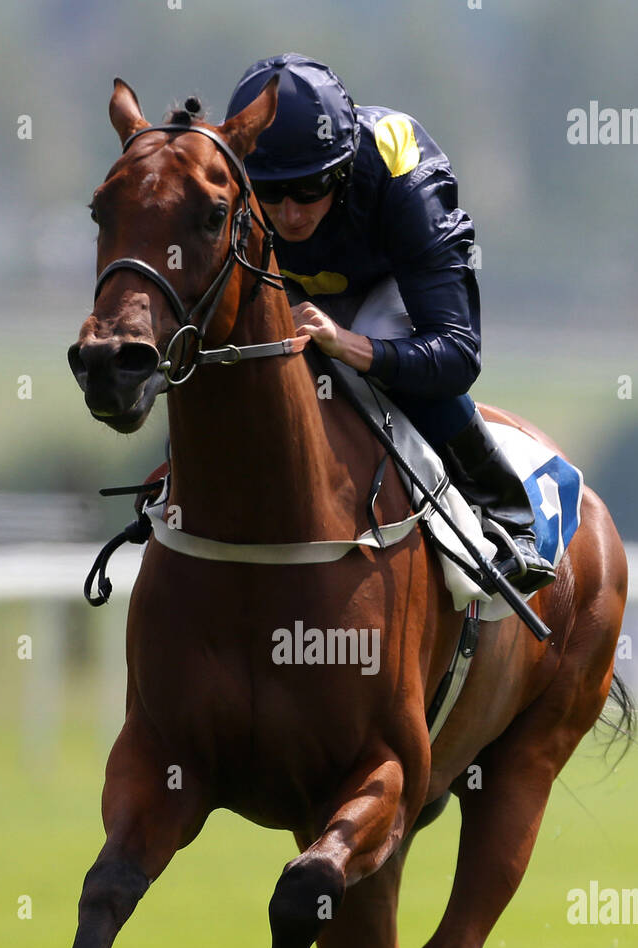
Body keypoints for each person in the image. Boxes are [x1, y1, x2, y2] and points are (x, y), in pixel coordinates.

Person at [225, 53, 555, 594]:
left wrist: (353, 346)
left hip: (390, 289)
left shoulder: (402, 168)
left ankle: (509, 515)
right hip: (295, 290)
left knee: (379, 331)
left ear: (343, 167)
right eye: (271, 192)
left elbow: (455, 357)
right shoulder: (231, 184)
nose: (288, 214)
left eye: (309, 190)